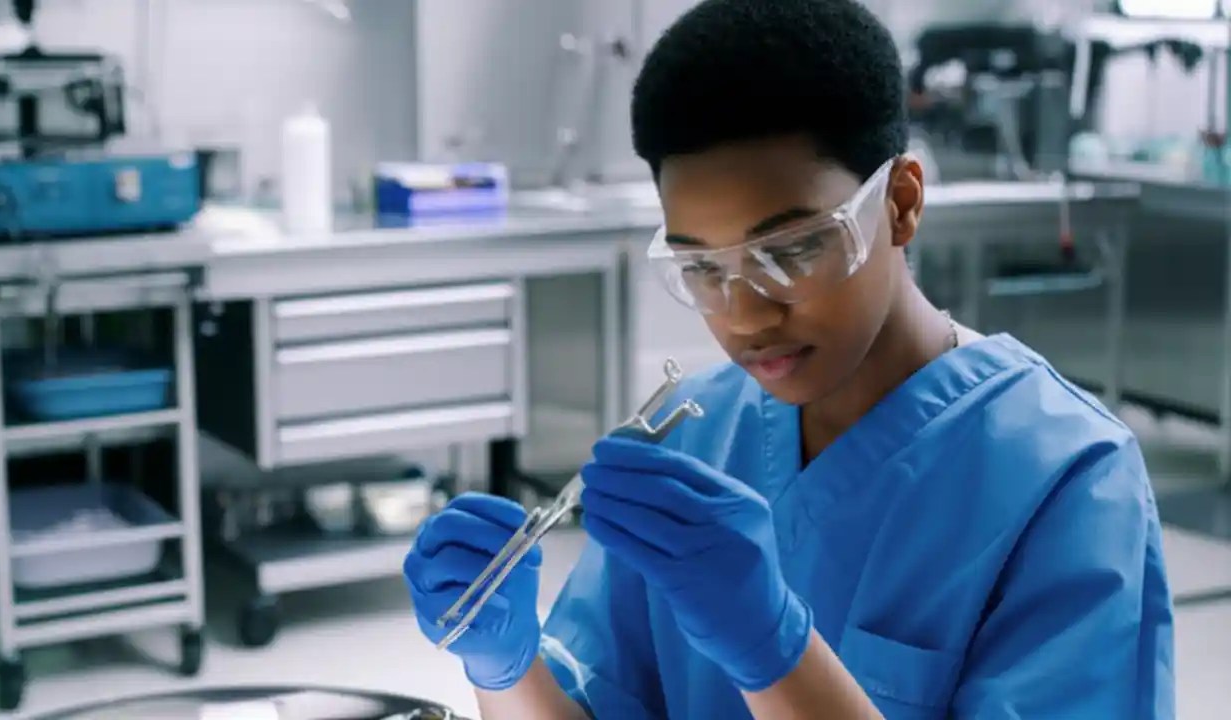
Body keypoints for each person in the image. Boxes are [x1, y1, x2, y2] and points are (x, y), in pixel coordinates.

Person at [402, 0, 1175, 717]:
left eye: (794, 249)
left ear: (902, 202)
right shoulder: (693, 445)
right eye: (701, 269)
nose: (745, 317)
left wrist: (774, 651)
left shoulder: (1068, 479)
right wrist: (507, 668)